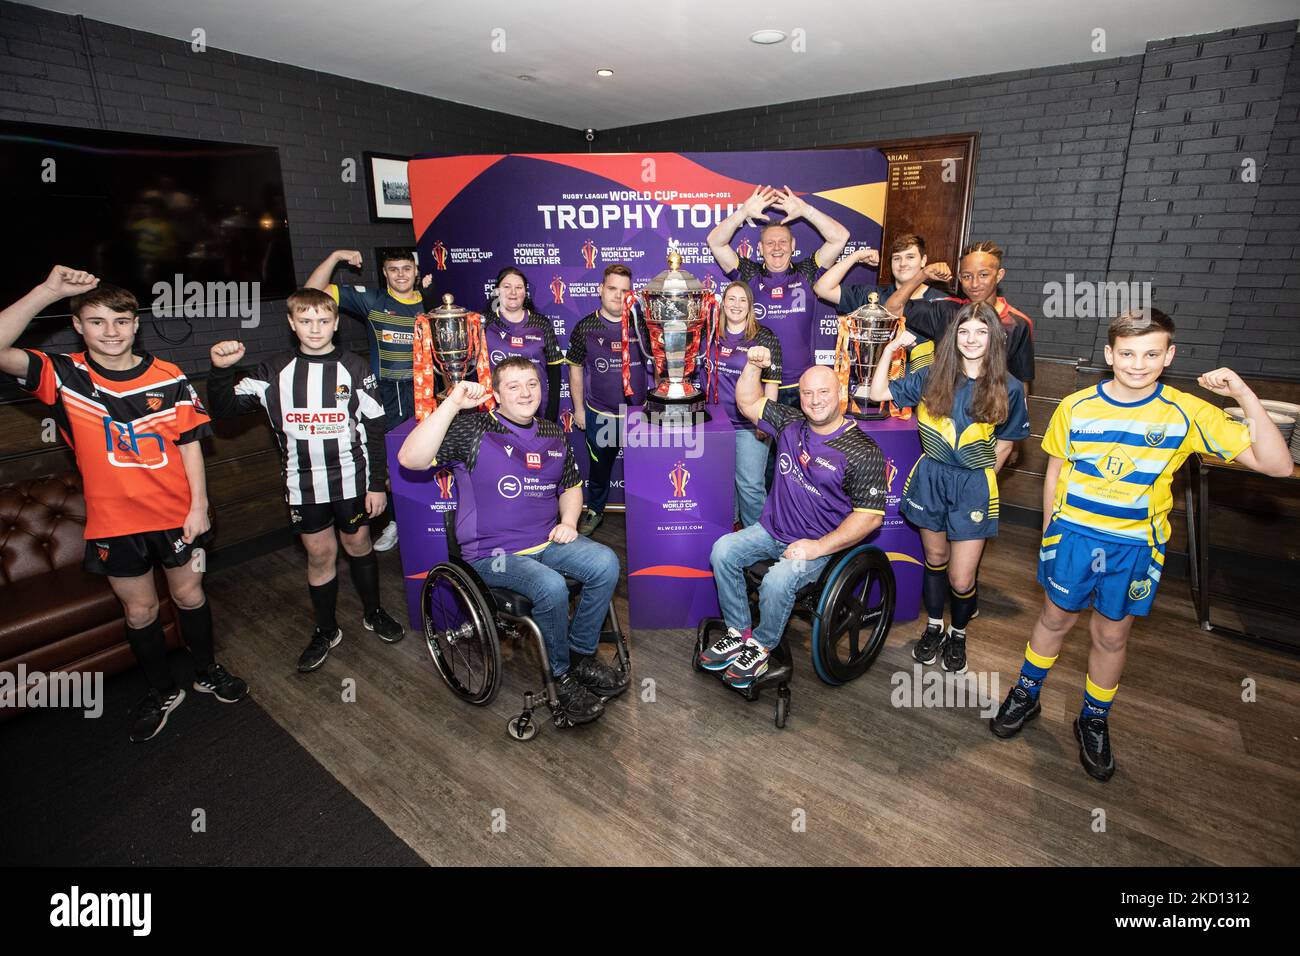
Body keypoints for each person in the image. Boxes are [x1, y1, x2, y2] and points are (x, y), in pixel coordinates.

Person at [989, 308, 1292, 781]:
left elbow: (1275, 465)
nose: (1138, 363)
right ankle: (1026, 694)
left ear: (1169, 356)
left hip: (1134, 547)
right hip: (1072, 537)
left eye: (1151, 353)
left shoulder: (1186, 411)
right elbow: (1056, 471)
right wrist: (1050, 532)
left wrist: (1243, 393)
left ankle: (1092, 718)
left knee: (1111, 634)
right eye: (1128, 353)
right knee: (1053, 618)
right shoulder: (1077, 406)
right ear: (1110, 355)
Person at [0, 267, 247, 742]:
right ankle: (161, 689)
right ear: (77, 325)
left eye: (120, 321)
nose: (110, 332)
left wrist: (199, 507)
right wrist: (47, 290)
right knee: (139, 613)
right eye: (97, 322)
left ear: (136, 324)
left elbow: (190, 443)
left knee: (189, 596)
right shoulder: (64, 374)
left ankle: (207, 671)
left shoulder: (168, 376)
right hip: (115, 524)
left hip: (177, 515)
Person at [397, 357, 628, 726]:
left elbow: (570, 485)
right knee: (550, 586)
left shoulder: (553, 433)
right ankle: (561, 677)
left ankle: (580, 655)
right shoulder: (473, 428)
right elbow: (410, 458)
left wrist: (569, 520)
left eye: (532, 384)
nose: (525, 392)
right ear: (497, 394)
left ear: (543, 388)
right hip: (492, 554)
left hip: (545, 541)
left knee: (605, 563)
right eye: (514, 386)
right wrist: (452, 403)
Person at [206, 288, 405, 673]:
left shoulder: (356, 367)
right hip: (303, 485)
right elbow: (225, 410)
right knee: (319, 555)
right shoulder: (271, 371)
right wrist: (219, 370)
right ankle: (326, 629)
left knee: (358, 543)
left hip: (353, 481)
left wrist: (378, 483)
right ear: (292, 323)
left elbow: (376, 429)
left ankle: (373, 612)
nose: (316, 329)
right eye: (306, 321)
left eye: (324, 321)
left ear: (335, 323)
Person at [702, 357, 887, 689]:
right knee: (723, 550)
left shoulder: (862, 452)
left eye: (823, 392)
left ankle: (760, 645)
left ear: (840, 393)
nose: (815, 400)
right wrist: (754, 366)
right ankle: (739, 632)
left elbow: (870, 517)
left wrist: (818, 547)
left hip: (818, 546)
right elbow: (747, 401)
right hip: (771, 530)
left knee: (776, 582)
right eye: (807, 393)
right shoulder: (790, 422)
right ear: (799, 397)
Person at [868, 303, 1029, 674]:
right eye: (964, 331)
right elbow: (878, 393)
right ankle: (934, 627)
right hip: (931, 480)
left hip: (974, 485)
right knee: (935, 560)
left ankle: (958, 633)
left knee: (962, 577)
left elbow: (1005, 444)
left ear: (993, 338)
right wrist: (892, 349)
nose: (971, 340)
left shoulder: (1011, 387)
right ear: (954, 337)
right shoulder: (931, 376)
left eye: (980, 332)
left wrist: (983, 479)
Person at [306, 248, 427, 551]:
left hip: (424, 392)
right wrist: (333, 258)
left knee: (427, 459)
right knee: (389, 464)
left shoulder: (431, 302)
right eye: (393, 269)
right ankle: (397, 523)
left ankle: (429, 521)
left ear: (415, 271)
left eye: (406, 268)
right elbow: (311, 293)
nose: (400, 274)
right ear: (384, 273)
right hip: (385, 392)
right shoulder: (372, 301)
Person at [707, 185, 850, 406]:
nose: (777, 247)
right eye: (770, 243)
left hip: (800, 386)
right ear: (760, 248)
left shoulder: (807, 272)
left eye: (783, 241)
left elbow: (840, 237)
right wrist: (743, 212)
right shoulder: (749, 273)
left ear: (792, 245)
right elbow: (715, 241)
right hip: (758, 385)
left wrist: (806, 210)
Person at [565, 263, 651, 536]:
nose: (618, 295)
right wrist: (578, 409)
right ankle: (596, 510)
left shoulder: (642, 324)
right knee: (599, 470)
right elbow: (575, 367)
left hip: (638, 414)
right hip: (600, 413)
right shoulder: (585, 327)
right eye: (612, 288)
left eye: (624, 291)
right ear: (601, 290)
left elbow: (657, 362)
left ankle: (646, 514)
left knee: (642, 470)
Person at [882, 241, 1036, 384]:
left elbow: (1021, 381)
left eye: (983, 275)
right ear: (960, 279)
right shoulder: (948, 310)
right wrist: (923, 274)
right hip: (942, 406)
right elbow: (892, 309)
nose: (975, 284)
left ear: (999, 275)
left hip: (990, 408)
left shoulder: (1017, 323)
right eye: (967, 276)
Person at [814, 232, 950, 375]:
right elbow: (821, 288)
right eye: (897, 258)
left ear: (923, 260)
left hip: (921, 390)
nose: (903, 263)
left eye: (910, 257)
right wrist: (856, 256)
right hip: (876, 387)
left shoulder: (941, 302)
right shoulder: (872, 296)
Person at [706, 281, 783, 527]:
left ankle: (756, 538)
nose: (736, 305)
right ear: (723, 303)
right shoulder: (709, 335)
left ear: (750, 306)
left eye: (742, 300)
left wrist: (766, 421)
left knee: (750, 485)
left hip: (749, 425)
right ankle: (729, 534)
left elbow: (772, 384)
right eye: (731, 299)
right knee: (722, 485)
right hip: (715, 426)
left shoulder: (764, 337)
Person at [483, 267, 564, 423]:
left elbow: (554, 371)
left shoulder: (541, 323)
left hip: (534, 406)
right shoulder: (484, 322)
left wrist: (551, 414)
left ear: (525, 293)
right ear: (497, 291)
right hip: (495, 409)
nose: (513, 292)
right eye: (507, 287)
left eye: (518, 287)